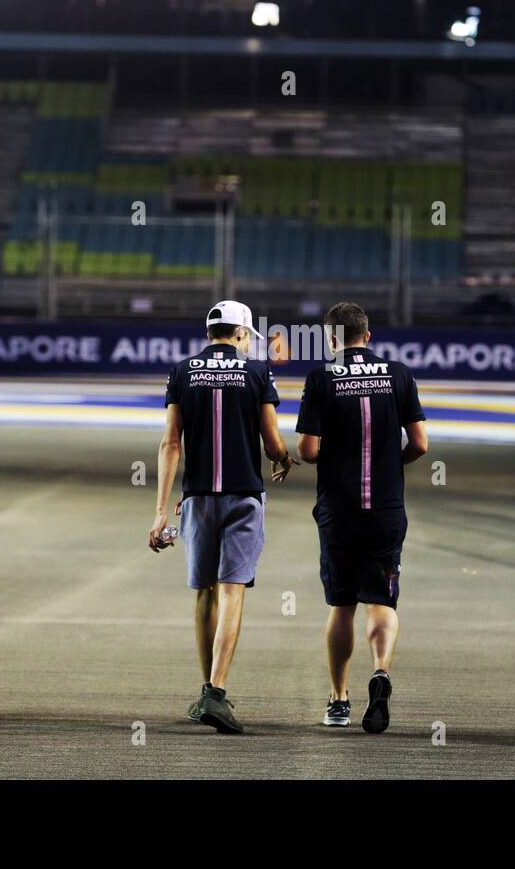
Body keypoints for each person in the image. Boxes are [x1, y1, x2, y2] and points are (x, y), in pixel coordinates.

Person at [147, 300, 295, 734]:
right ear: (243, 334)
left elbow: (170, 444)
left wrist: (160, 512)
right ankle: (216, 691)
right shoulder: (256, 373)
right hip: (244, 496)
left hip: (197, 498)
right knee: (233, 591)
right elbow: (271, 440)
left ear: (209, 333)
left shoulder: (181, 372)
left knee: (204, 592)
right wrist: (283, 458)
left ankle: (205, 690)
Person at [295, 302, 427, 732]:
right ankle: (381, 671)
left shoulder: (321, 377)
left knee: (341, 604)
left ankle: (337, 700)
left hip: (339, 507)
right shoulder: (399, 374)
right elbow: (421, 444)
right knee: (382, 601)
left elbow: (308, 450)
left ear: (332, 339)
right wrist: (390, 464)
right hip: (386, 508)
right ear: (367, 337)